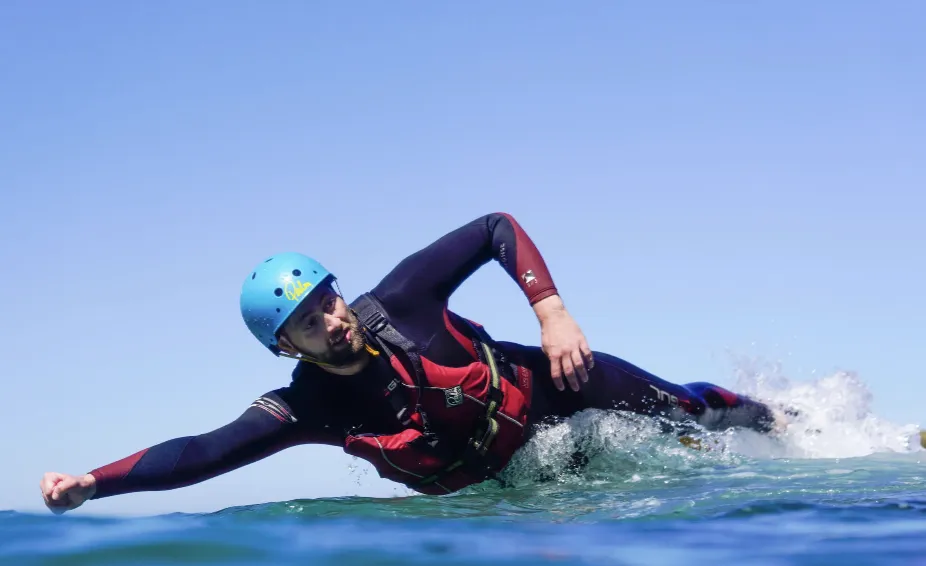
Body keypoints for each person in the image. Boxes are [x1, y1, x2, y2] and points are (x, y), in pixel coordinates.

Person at [40, 212, 782, 514]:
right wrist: (90, 483)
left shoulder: (402, 300)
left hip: (554, 392)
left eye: (327, 300)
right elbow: (200, 453)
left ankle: (791, 423)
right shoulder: (307, 410)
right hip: (523, 479)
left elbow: (496, 227)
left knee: (689, 412)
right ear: (285, 347)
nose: (332, 321)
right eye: (308, 322)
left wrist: (552, 313)